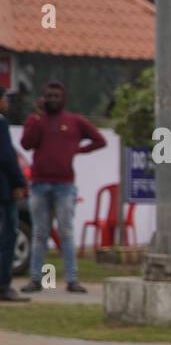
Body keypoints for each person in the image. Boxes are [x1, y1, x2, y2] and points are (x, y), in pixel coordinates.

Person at [19, 82, 105, 293]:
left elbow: (99, 140)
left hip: (65, 186)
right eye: (49, 95)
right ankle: (36, 279)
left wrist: (79, 150)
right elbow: (26, 144)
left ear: (63, 99)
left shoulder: (74, 121)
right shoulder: (36, 120)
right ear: (44, 98)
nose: (53, 99)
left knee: (66, 233)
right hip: (39, 185)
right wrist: (36, 118)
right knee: (40, 233)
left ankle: (72, 280)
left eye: (57, 96)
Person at [1, 90, 31, 302]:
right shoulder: (1, 122)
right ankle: (3, 285)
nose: (7, 103)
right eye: (5, 98)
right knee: (8, 235)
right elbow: (7, 157)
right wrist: (20, 181)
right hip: (3, 190)